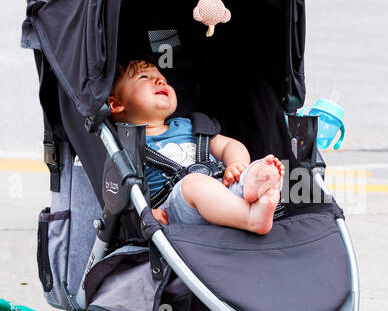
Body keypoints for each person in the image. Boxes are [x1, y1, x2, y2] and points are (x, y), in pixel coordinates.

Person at [108, 60, 283, 234]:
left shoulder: (191, 125)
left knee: (260, 168)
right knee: (193, 183)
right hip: (176, 210)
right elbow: (119, 194)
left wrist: (237, 164)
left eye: (163, 79)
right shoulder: (126, 144)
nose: (160, 81)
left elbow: (229, 145)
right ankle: (251, 218)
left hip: (223, 191)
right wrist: (143, 214)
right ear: (116, 104)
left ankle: (257, 189)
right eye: (145, 77)